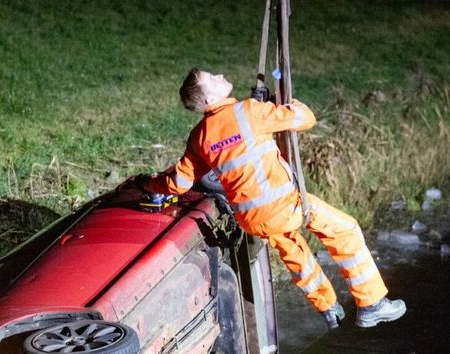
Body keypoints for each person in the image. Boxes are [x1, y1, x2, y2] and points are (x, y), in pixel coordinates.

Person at [143, 68, 405, 329]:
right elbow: (305, 118)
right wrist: (280, 103)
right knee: (346, 231)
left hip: (252, 219)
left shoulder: (199, 136)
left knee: (293, 250)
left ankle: (328, 308)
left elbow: (179, 183)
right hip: (284, 206)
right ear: (209, 99)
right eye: (212, 79)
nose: (220, 75)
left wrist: (148, 184)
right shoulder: (249, 112)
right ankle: (372, 303)